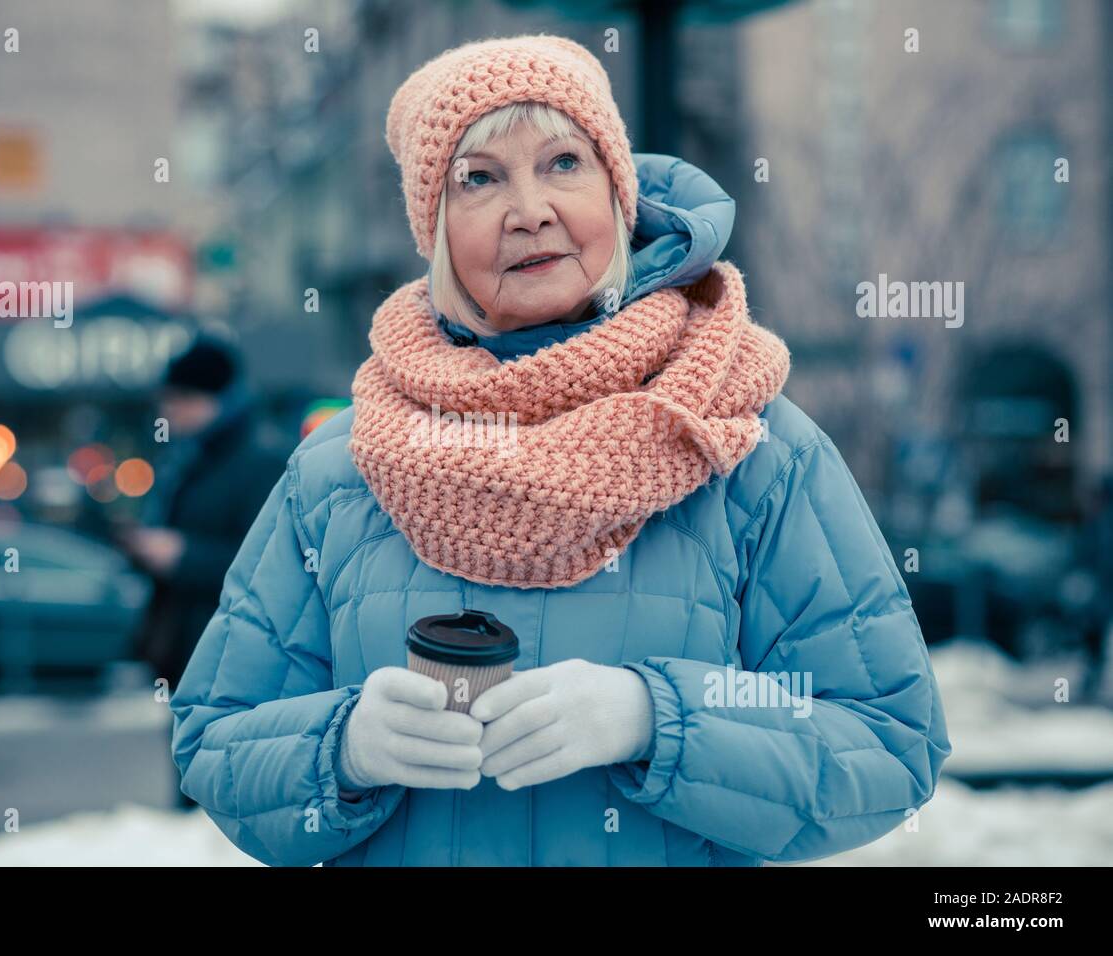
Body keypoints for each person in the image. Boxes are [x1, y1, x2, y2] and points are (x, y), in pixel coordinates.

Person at [169, 34, 952, 865]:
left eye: (564, 163)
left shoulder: (750, 444)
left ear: (618, 193)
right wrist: (341, 749)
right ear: (433, 230)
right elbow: (216, 741)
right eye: (478, 179)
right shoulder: (339, 468)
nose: (529, 209)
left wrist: (657, 719)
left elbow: (887, 744)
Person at [121, 337, 284, 807]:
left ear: (206, 399)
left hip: (228, 649)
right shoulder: (192, 457)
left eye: (176, 401)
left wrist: (181, 556)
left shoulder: (258, 458)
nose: (168, 413)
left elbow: (267, 566)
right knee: (190, 768)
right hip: (188, 642)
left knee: (217, 780)